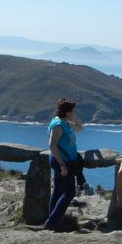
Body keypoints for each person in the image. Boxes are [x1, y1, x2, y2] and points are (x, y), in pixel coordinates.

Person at [45, 98, 84, 231]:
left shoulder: (65, 122)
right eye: (72, 111)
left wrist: (73, 116)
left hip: (65, 161)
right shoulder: (58, 125)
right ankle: (52, 222)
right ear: (67, 112)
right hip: (61, 162)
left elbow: (80, 128)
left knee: (57, 191)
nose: (73, 113)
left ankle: (53, 220)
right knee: (69, 193)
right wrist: (62, 165)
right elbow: (52, 145)